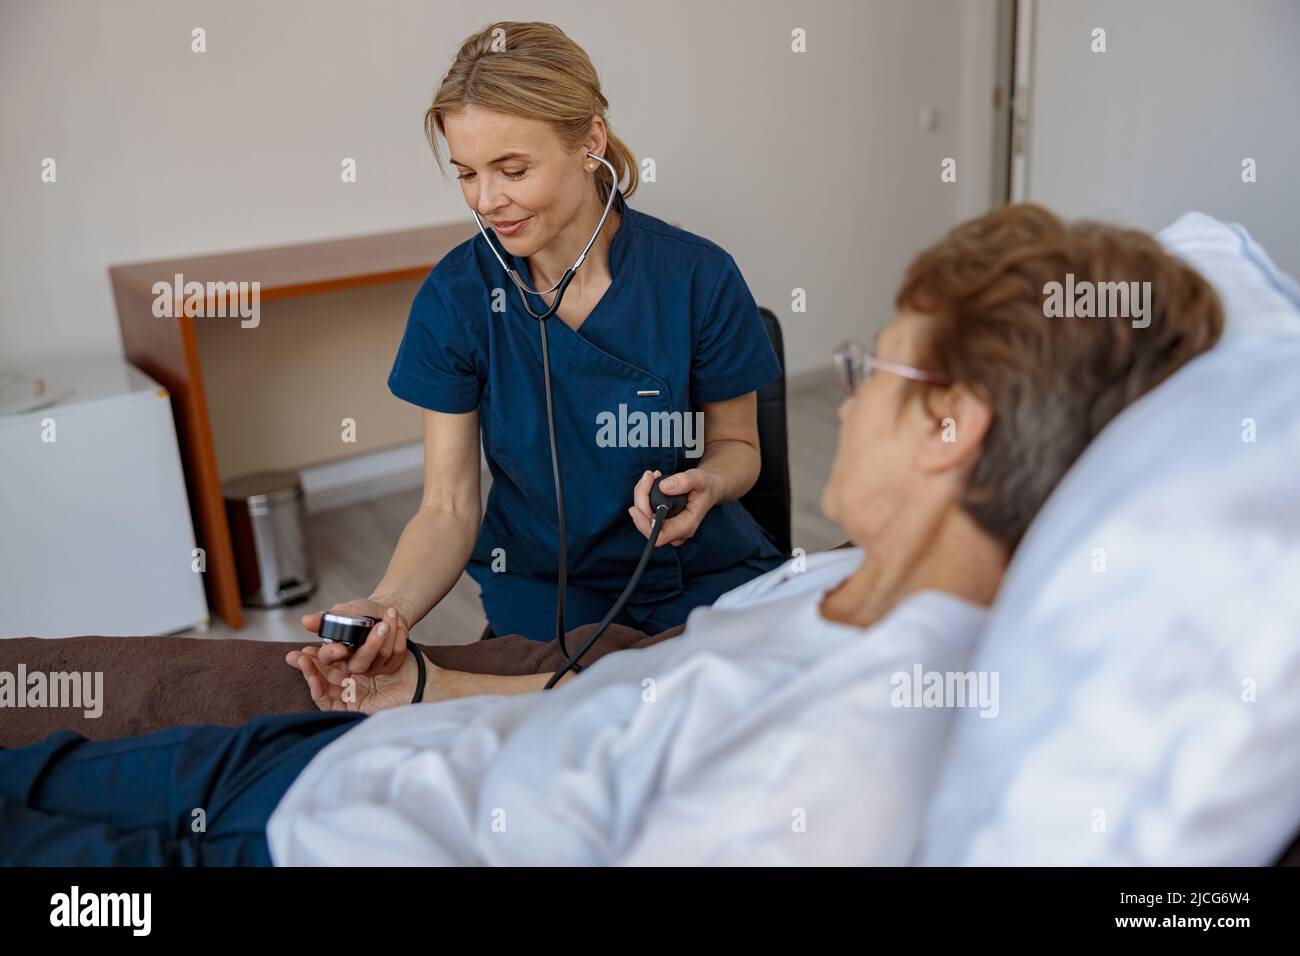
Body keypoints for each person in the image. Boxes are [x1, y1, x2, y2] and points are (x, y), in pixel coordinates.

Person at [0, 204, 1223, 865]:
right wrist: (424, 678)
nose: (846, 395)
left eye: (871, 366)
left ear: (952, 422)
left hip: (308, 837)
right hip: (343, 761)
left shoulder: (851, 749)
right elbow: (615, 700)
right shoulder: (828, 592)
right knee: (47, 757)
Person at [310, 20, 786, 648]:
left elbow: (736, 445)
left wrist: (712, 482)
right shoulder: (457, 298)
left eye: (512, 169)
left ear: (590, 143)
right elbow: (447, 506)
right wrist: (388, 605)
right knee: (570, 717)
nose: (486, 199)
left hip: (698, 569)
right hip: (546, 582)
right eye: (467, 174)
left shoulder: (697, 275)